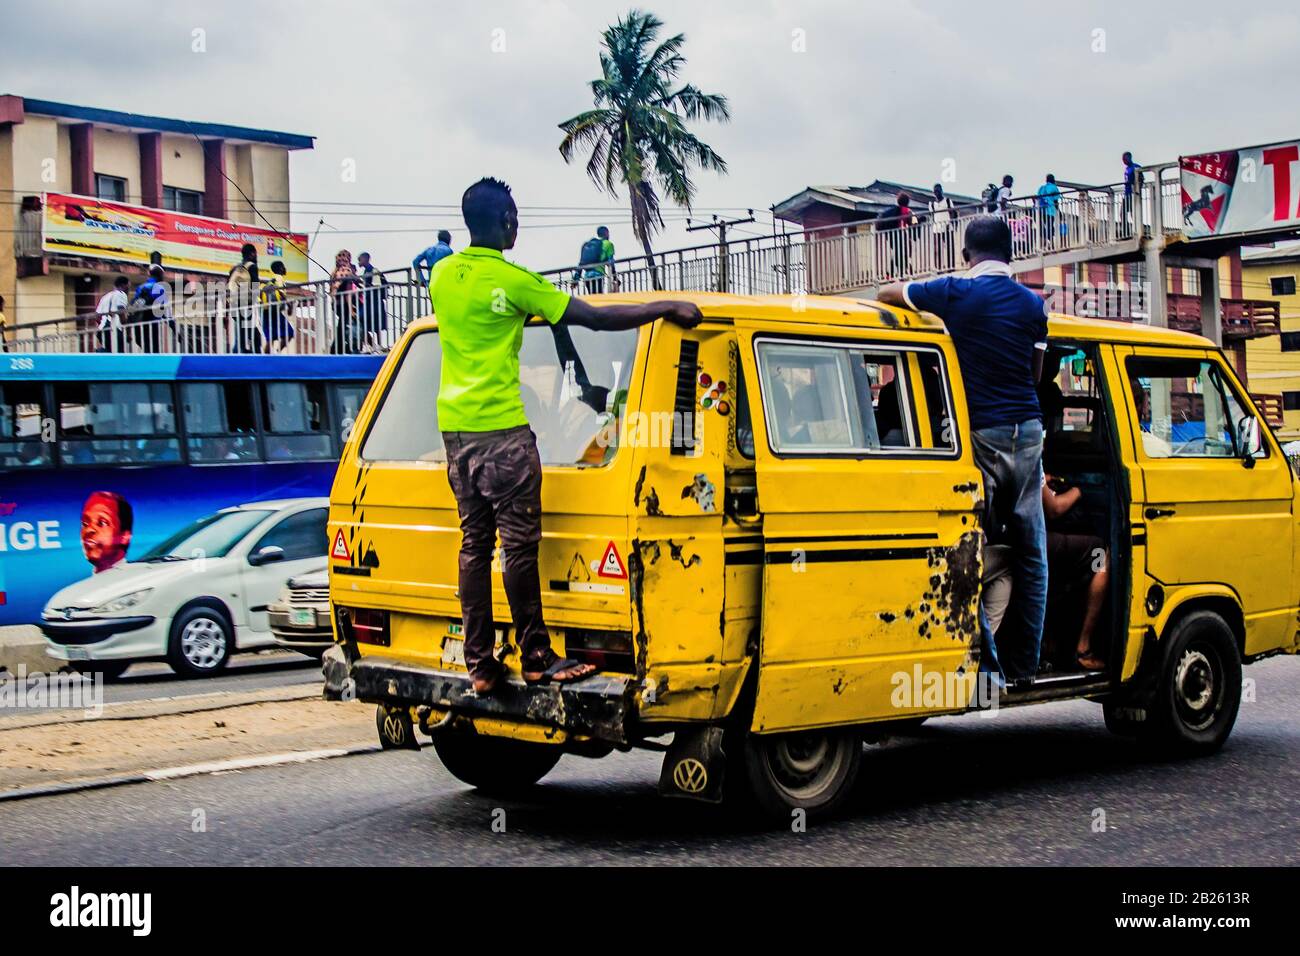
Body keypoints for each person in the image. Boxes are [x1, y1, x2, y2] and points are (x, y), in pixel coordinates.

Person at [430, 177, 701, 694]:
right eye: (515, 217)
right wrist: (666, 308)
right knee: (519, 549)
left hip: (455, 435)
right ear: (507, 222)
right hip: (502, 433)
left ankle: (480, 664)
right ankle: (535, 656)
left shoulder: (442, 275)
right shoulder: (514, 281)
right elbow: (596, 319)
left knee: (474, 546)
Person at [879, 216, 1050, 686]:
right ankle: (1024, 669)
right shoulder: (1034, 305)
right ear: (1011, 252)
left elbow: (887, 295)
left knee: (969, 548)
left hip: (983, 433)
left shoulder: (955, 293)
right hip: (1029, 431)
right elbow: (1035, 374)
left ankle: (987, 670)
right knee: (1033, 552)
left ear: (966, 254)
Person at [1041, 474, 1108, 672]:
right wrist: (1078, 490)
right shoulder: (1029, 454)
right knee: (1101, 553)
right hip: (1037, 541)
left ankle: (1053, 643)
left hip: (1022, 537)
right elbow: (1055, 509)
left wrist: (1045, 479)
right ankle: (1083, 647)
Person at [81, 490, 133, 574]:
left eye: (102, 523)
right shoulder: (86, 585)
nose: (89, 529)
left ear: (124, 537)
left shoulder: (134, 582)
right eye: (85, 523)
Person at [227, 243, 262, 353]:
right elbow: (255, 285)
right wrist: (257, 301)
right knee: (252, 334)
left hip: (233, 304)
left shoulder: (235, 268)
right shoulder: (252, 266)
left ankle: (242, 352)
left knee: (245, 331)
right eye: (255, 254)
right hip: (244, 304)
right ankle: (248, 355)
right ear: (252, 254)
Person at [130, 265, 173, 352]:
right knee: (154, 350)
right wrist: (173, 327)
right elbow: (165, 310)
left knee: (145, 349)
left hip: (140, 323)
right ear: (160, 275)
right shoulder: (159, 288)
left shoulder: (141, 287)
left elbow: (134, 304)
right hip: (153, 324)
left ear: (150, 274)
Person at [330, 249, 360, 354]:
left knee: (342, 325)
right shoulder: (346, 270)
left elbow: (334, 288)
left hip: (337, 303)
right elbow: (347, 291)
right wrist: (351, 308)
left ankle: (336, 348)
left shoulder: (335, 271)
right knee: (346, 326)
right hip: (344, 303)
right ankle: (339, 348)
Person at [357, 251, 388, 349]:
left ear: (366, 259)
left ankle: (378, 345)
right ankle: (371, 345)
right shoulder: (367, 271)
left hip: (375, 302)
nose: (359, 262)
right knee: (365, 323)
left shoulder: (373, 270)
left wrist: (363, 284)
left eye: (360, 260)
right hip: (369, 302)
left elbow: (376, 286)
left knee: (376, 324)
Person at [572, 226, 617, 293]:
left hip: (587, 277)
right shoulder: (608, 244)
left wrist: (575, 280)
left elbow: (581, 263)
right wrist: (615, 278)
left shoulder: (588, 245)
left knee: (593, 298)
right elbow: (611, 262)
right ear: (606, 233)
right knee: (599, 299)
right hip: (598, 275)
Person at [261, 260, 293, 353]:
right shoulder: (279, 278)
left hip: (266, 311)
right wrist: (289, 306)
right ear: (280, 268)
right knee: (289, 333)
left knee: (270, 338)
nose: (285, 268)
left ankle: (266, 359)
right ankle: (278, 352)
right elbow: (281, 291)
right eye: (283, 266)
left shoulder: (269, 281)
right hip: (275, 311)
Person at [95, 276, 131, 352]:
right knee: (120, 354)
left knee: (111, 351)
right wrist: (128, 332)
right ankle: (100, 353)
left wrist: (103, 325)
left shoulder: (105, 296)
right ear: (123, 285)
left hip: (101, 330)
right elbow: (121, 312)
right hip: (113, 330)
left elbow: (97, 317)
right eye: (128, 286)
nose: (129, 289)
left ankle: (100, 353)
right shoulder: (121, 294)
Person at [929, 184, 956, 271]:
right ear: (933, 193)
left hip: (948, 228)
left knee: (949, 248)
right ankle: (939, 268)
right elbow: (932, 216)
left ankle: (950, 267)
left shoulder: (948, 201)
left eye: (938, 191)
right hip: (937, 229)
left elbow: (952, 213)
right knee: (937, 250)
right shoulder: (932, 204)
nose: (937, 193)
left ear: (942, 191)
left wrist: (950, 223)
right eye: (935, 191)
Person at [1036, 174, 1062, 250]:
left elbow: (1037, 198)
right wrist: (1059, 212)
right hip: (1050, 210)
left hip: (1041, 210)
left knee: (1045, 226)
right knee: (1050, 226)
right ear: (1053, 180)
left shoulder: (1041, 188)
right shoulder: (1054, 187)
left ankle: (1045, 243)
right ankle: (1050, 243)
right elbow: (1055, 200)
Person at [1121, 151, 1141, 237]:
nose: (1123, 161)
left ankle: (1137, 230)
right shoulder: (1126, 169)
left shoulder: (1135, 167)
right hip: (1127, 194)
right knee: (1123, 213)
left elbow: (1141, 179)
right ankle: (1126, 232)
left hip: (1133, 194)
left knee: (1134, 214)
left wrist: (1137, 190)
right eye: (1123, 159)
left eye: (1125, 159)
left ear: (1129, 158)